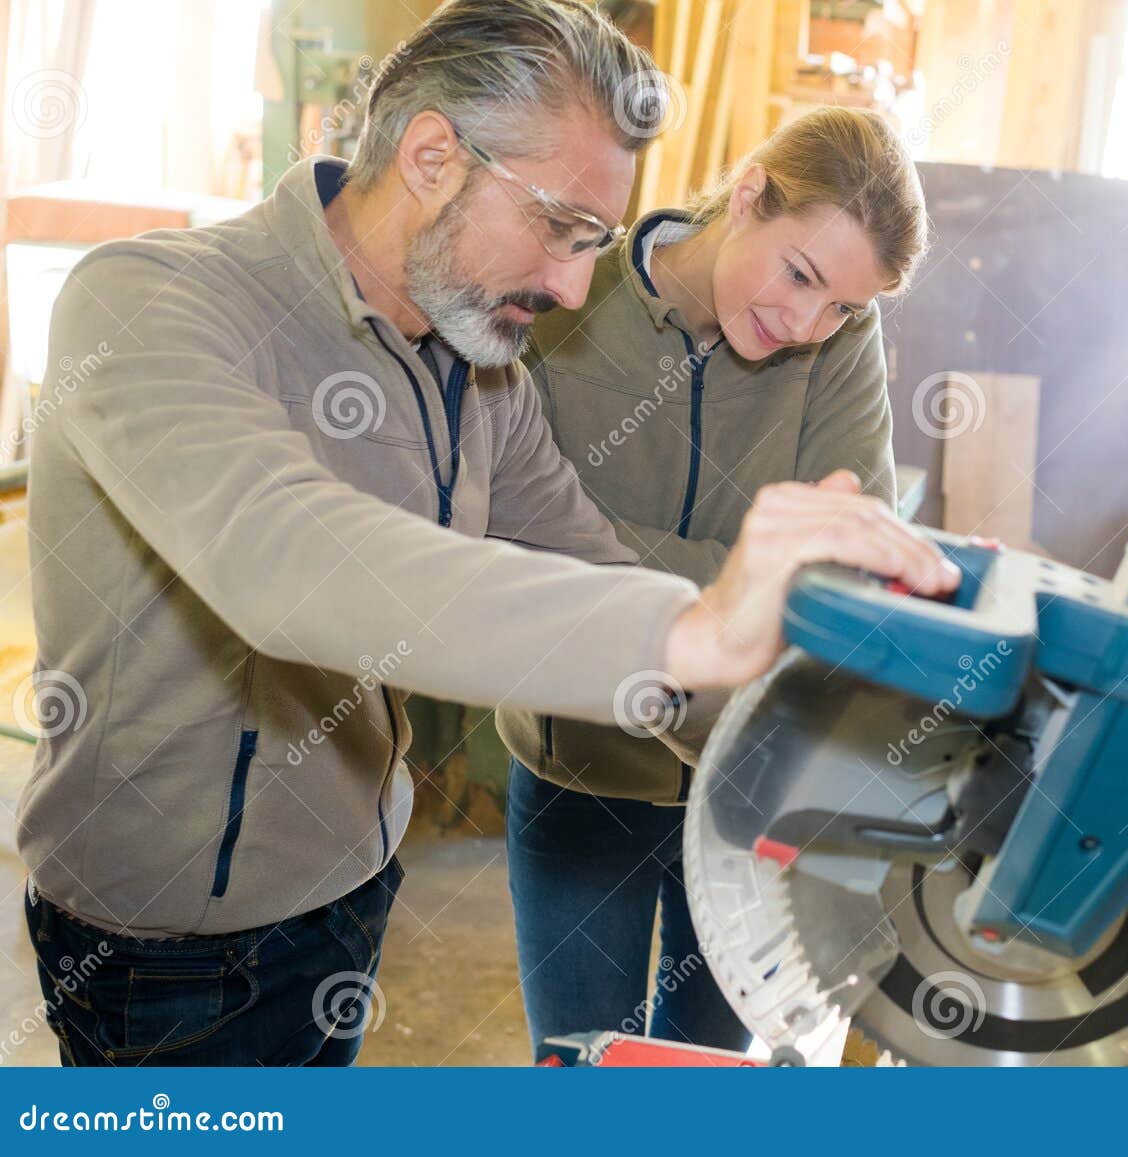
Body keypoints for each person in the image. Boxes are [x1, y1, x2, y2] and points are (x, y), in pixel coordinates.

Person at [17, 0, 954, 1067]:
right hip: (162, 950)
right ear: (429, 156)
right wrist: (691, 629)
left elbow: (586, 567)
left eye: (594, 242)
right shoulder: (147, 304)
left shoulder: (481, 380)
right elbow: (285, 557)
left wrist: (845, 778)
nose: (569, 285)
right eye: (559, 228)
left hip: (347, 890)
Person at [495, 107, 928, 1053]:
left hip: (753, 785)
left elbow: (847, 569)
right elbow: (510, 532)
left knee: (712, 1086)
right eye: (801, 274)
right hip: (582, 767)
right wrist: (752, 579)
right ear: (747, 196)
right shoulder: (571, 296)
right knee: (582, 1079)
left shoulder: (842, 342)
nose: (805, 324)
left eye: (843, 307)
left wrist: (605, 550)